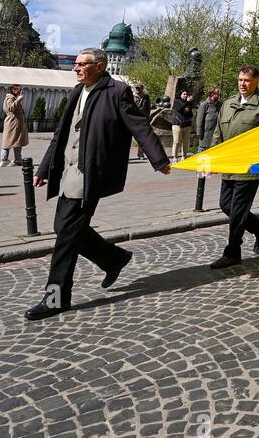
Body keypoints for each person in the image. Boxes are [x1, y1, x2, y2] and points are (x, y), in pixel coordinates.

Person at [28, 50, 170, 320]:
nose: (77, 69)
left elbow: (139, 126)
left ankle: (56, 299)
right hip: (68, 171)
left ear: (99, 66)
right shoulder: (76, 91)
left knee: (66, 239)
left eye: (82, 65)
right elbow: (62, 132)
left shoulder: (117, 91)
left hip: (90, 174)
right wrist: (45, 167)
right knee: (64, 228)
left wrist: (158, 159)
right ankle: (113, 259)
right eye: (77, 65)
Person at [210, 66, 259, 268]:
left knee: (237, 210)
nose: (242, 84)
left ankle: (232, 252)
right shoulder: (228, 103)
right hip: (229, 165)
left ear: (256, 81)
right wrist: (213, 158)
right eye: (240, 80)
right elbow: (218, 133)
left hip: (249, 168)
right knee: (225, 204)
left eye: (246, 80)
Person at [0, 84, 28, 166]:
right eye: (16, 89)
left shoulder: (12, 98)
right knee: (14, 141)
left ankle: (12, 159)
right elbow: (10, 108)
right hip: (14, 122)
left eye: (19, 89)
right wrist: (18, 100)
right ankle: (12, 159)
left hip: (15, 122)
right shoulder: (10, 98)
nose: (19, 91)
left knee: (13, 141)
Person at [195, 86, 221, 153]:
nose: (219, 95)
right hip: (205, 138)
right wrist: (199, 135)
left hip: (216, 138)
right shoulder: (204, 105)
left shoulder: (219, 105)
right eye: (218, 94)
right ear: (212, 94)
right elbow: (199, 121)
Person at [170, 89, 193, 163]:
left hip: (186, 125)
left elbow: (191, 114)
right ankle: (175, 157)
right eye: (184, 94)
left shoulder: (188, 103)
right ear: (180, 95)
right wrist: (188, 102)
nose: (186, 96)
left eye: (186, 94)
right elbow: (179, 109)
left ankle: (184, 156)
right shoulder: (176, 101)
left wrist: (189, 108)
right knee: (177, 141)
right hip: (177, 125)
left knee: (186, 142)